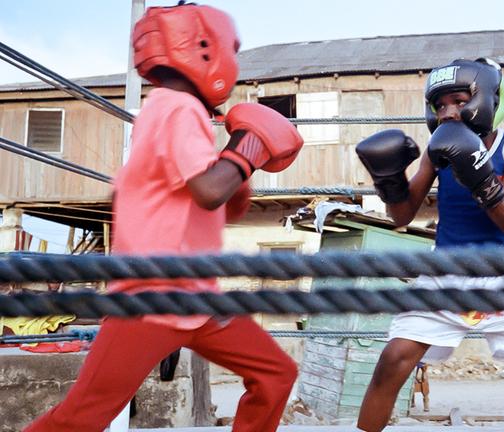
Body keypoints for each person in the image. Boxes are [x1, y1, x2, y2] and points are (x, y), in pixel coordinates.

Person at [24, 4, 303, 431]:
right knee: (81, 417)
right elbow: (210, 192)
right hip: (148, 302)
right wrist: (248, 147)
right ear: (205, 47)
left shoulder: (166, 113)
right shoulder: (177, 107)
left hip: (198, 300)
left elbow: (225, 203)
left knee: (275, 374)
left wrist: (239, 167)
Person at [355, 58, 504, 432]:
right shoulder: (438, 149)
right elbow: (402, 216)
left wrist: (477, 172)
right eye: (441, 105)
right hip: (445, 275)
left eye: (460, 101)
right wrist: (389, 180)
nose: (449, 112)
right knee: (393, 360)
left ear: (488, 101)